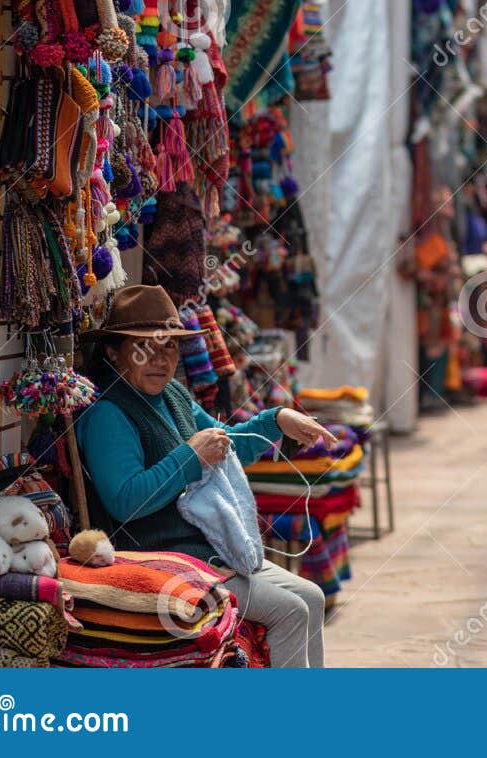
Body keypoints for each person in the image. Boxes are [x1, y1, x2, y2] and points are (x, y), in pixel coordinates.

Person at [76, 284, 336, 667]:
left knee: (311, 596)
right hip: (156, 556)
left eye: (169, 347)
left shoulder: (174, 396)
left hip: (204, 550)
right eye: (143, 347)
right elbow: (125, 501)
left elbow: (225, 445)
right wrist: (190, 458)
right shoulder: (108, 415)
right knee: (290, 611)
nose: (159, 359)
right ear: (114, 353)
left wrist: (277, 420)